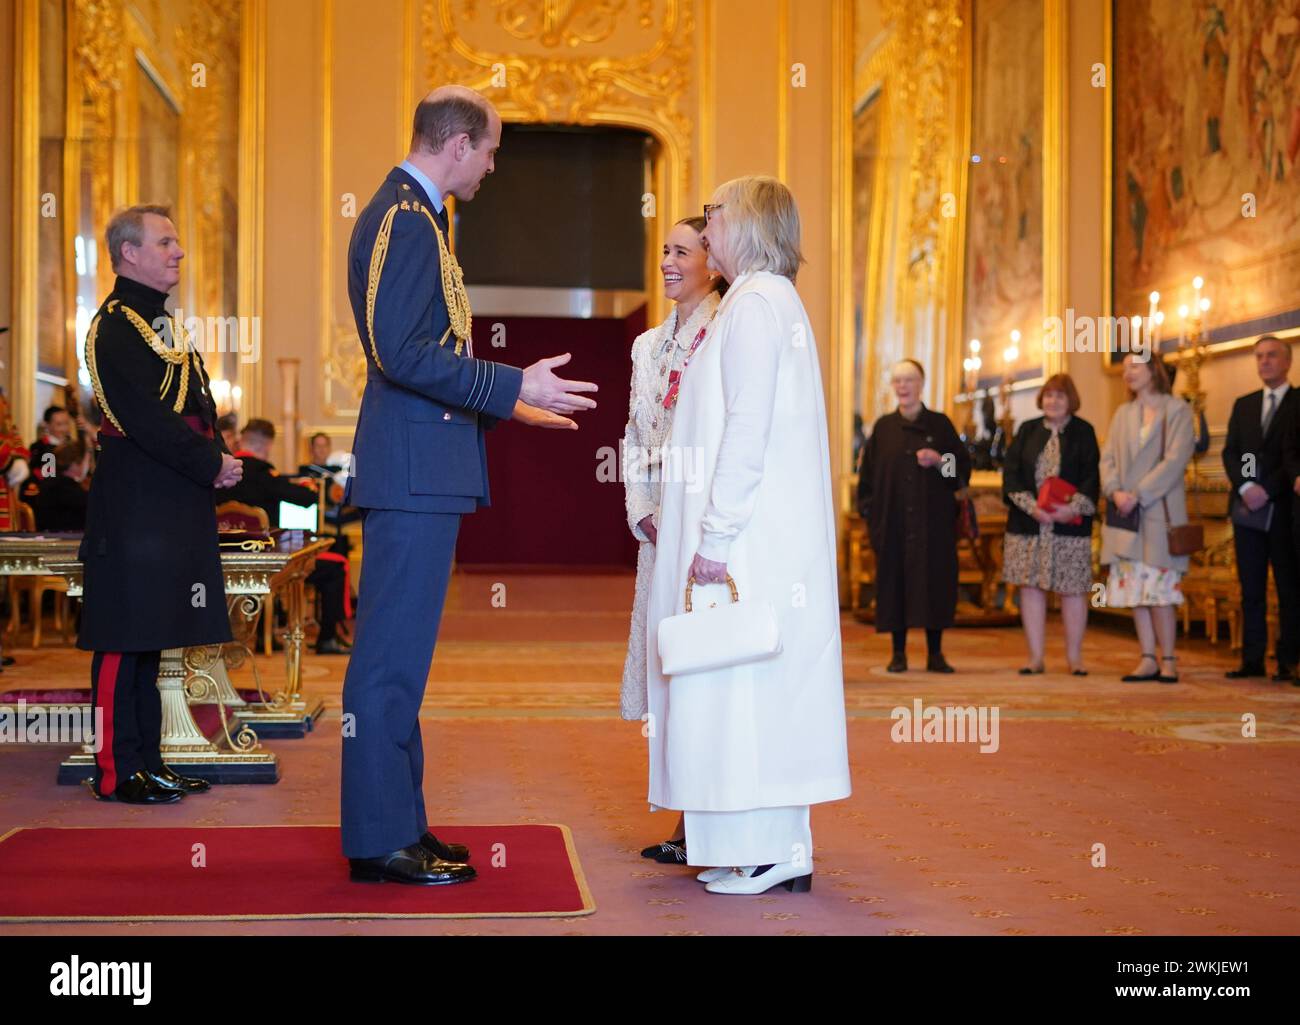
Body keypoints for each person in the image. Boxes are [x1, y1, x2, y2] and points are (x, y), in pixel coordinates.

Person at [340, 85, 597, 885]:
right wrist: (512, 381)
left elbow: (417, 353)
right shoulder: (402, 220)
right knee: (387, 661)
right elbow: (398, 353)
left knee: (401, 662)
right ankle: (380, 839)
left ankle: (399, 824)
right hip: (412, 472)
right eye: (489, 150)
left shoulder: (421, 219)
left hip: (425, 468)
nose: (492, 164)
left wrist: (511, 402)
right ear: (456, 145)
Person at [645, 175, 851, 896]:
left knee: (747, 688)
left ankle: (775, 848)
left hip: (749, 543)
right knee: (736, 691)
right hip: (747, 537)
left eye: (715, 216)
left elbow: (747, 428)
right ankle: (750, 843)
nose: (706, 229)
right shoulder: (750, 303)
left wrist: (716, 537)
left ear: (751, 224)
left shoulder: (759, 304)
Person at [79, 203, 243, 802]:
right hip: (135, 505)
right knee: (125, 640)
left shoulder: (163, 323)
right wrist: (208, 462)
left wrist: (221, 461)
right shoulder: (114, 326)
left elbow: (198, 403)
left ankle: (149, 759)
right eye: (166, 242)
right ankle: (117, 771)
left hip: (174, 500)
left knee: (155, 636)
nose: (178, 252)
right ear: (130, 253)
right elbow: (146, 419)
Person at [622, 216, 724, 865]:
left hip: (708, 530)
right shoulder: (646, 345)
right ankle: (687, 818)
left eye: (681, 251)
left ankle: (713, 820)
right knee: (670, 671)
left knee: (706, 665)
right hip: (660, 531)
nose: (666, 261)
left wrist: (697, 512)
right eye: (663, 249)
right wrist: (643, 505)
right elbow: (635, 433)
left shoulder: (726, 329)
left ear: (711, 263)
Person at [857, 359, 971, 673]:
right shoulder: (883, 428)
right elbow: (866, 479)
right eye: (898, 381)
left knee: (935, 584)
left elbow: (961, 473)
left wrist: (938, 460)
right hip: (892, 524)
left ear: (921, 384)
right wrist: (871, 515)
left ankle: (935, 653)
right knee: (895, 586)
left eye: (909, 380)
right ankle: (898, 654)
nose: (903, 386)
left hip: (934, 527)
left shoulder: (941, 424)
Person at [1099, 354, 1194, 684]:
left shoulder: (1177, 409)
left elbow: (1176, 459)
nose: (1128, 373)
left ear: (1153, 370)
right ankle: (1147, 657)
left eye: (1134, 367)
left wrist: (1138, 493)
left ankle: (1168, 659)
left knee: (1161, 591)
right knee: (1134, 589)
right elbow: (1107, 457)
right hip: (1125, 513)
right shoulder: (1123, 413)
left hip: (1157, 510)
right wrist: (1114, 491)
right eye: (1124, 368)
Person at [223, 418, 352, 655]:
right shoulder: (263, 475)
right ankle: (327, 639)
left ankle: (263, 637)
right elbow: (305, 499)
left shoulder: (223, 475)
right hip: (267, 566)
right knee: (336, 566)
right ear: (267, 445)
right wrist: (309, 489)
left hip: (225, 564)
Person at [1000, 374, 1100, 675]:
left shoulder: (1084, 432)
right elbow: (1012, 474)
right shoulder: (1027, 430)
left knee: (1072, 590)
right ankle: (1035, 657)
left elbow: (1091, 477)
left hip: (1069, 525)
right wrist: (1033, 509)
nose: (1052, 401)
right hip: (1029, 525)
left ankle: (1075, 658)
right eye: (1048, 396)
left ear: (1071, 400)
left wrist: (1070, 510)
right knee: (1031, 588)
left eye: (1059, 396)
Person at [1223, 335, 1299, 681]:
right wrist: (1247, 485)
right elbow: (1236, 453)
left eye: (1271, 356)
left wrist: (1267, 490)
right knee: (1250, 586)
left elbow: (1292, 459)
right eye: (1259, 357)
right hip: (1248, 511)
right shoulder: (1246, 404)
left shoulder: (1298, 402)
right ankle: (1252, 659)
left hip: (1284, 510)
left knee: (1289, 586)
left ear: (1287, 361)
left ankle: (1288, 659)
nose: (1264, 362)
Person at [26, 439, 91, 531]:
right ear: (74, 464)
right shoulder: (65, 487)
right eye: (86, 462)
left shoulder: (53, 482)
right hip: (65, 540)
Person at [30, 405, 74, 472]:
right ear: (47, 425)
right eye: (59, 424)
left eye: (67, 423)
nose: (65, 428)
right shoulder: (39, 447)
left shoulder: (73, 445)